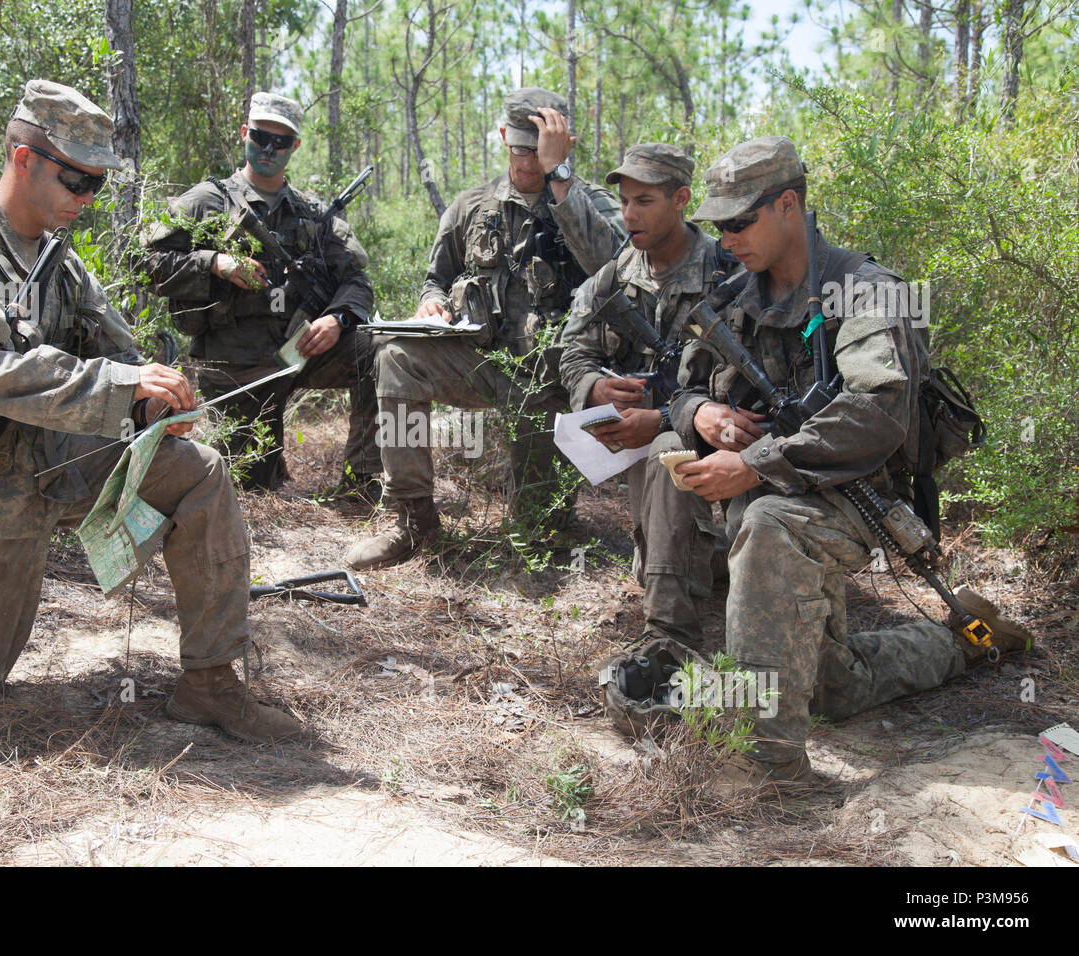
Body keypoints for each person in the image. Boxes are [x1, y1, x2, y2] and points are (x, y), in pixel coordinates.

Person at [0, 80, 300, 743]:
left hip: (53, 472)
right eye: (75, 180)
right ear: (22, 157)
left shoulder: (61, 266)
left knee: (197, 474)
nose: (87, 199)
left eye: (97, 184)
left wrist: (155, 400)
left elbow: (120, 353)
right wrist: (115, 387)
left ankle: (210, 683)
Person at [669, 136, 1030, 789]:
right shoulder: (735, 298)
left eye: (738, 222)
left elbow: (876, 415)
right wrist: (700, 415)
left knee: (770, 526)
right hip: (784, 479)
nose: (726, 240)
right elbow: (677, 384)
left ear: (787, 206)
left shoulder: (868, 292)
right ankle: (966, 640)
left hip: (864, 491)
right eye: (717, 227)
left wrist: (755, 463)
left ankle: (770, 768)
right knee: (832, 686)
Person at [345, 87, 625, 570]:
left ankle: (545, 518)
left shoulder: (591, 203)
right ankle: (412, 518)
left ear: (561, 145)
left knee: (536, 539)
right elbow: (436, 278)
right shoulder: (472, 206)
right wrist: (432, 303)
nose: (527, 160)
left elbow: (615, 266)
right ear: (502, 138)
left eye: (538, 150)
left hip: (551, 379)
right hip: (481, 361)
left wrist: (561, 181)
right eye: (518, 147)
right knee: (395, 357)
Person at [144, 92, 378, 495]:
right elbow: (143, 261)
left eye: (280, 141)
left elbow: (356, 280)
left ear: (295, 147)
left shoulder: (313, 214)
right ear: (243, 134)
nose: (269, 148)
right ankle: (269, 461)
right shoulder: (207, 201)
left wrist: (337, 319)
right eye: (259, 137)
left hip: (301, 350)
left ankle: (363, 483)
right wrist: (214, 262)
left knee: (382, 352)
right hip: (239, 363)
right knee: (250, 485)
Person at [559, 142, 739, 651]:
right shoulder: (617, 274)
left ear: (681, 199)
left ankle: (669, 634)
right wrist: (594, 385)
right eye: (624, 202)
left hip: (723, 435)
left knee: (664, 454)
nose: (629, 214)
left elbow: (749, 383)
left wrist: (662, 417)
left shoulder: (728, 272)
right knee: (666, 558)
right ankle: (691, 558)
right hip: (647, 441)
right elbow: (571, 349)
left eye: (645, 202)